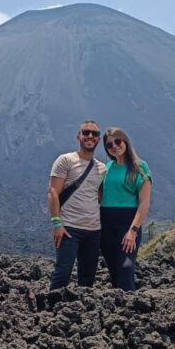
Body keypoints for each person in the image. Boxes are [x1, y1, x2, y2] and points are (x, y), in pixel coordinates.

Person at [47, 120, 108, 290]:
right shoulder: (65, 160)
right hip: (69, 228)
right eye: (86, 132)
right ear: (78, 136)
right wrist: (56, 222)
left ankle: (83, 312)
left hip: (94, 230)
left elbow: (100, 196)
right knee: (62, 273)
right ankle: (52, 311)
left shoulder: (102, 168)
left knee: (88, 277)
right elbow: (53, 192)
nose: (90, 136)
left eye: (94, 134)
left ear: (98, 138)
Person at [100, 127, 152, 291]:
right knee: (114, 270)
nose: (114, 146)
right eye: (109, 145)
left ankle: (131, 309)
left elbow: (144, 203)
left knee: (125, 267)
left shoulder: (140, 167)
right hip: (105, 223)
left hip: (127, 223)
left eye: (118, 141)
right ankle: (118, 310)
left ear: (126, 142)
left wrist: (133, 230)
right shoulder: (107, 167)